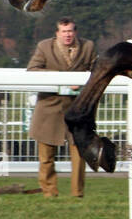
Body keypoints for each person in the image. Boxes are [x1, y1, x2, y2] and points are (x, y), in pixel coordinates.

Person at [27, 18, 97, 198]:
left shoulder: (88, 47)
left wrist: (80, 81)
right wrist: (62, 78)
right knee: (46, 156)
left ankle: (77, 193)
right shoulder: (44, 47)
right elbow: (33, 69)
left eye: (71, 31)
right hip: (49, 108)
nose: (68, 35)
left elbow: (96, 70)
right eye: (64, 31)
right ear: (57, 33)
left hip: (77, 110)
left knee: (80, 154)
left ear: (75, 32)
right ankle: (49, 192)